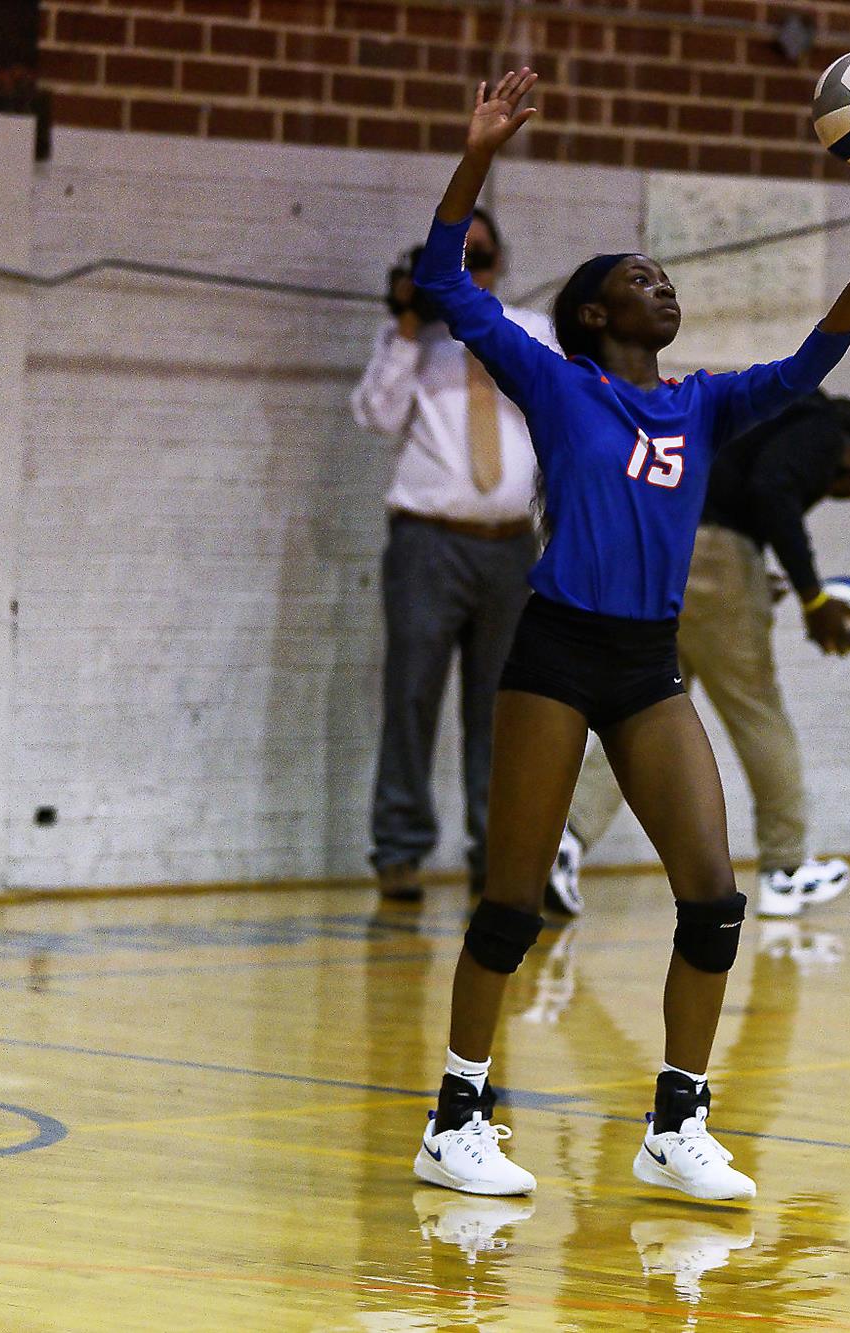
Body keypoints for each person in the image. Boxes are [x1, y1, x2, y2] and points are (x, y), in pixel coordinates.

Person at [405, 67, 850, 1201]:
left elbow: (802, 372)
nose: (663, 287)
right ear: (596, 313)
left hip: (645, 666)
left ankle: (674, 1124)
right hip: (554, 651)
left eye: (665, 277)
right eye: (641, 278)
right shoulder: (555, 384)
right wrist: (479, 151)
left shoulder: (699, 404)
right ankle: (455, 1118)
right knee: (511, 902)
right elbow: (442, 278)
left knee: (714, 897)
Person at [547, 390, 850, 920]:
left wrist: (755, 578)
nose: (827, 496)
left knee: (638, 715)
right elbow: (771, 490)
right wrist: (813, 598)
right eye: (838, 492)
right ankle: (786, 868)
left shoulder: (769, 416)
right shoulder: (826, 431)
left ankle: (563, 843)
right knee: (758, 711)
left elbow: (736, 495)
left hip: (663, 551)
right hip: (712, 555)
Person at [350, 206, 557, 903]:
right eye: (455, 258)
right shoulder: (412, 340)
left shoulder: (530, 334)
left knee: (502, 708)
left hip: (511, 550)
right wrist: (409, 322)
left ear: (502, 266)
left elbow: (563, 414)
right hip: (428, 544)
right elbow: (375, 416)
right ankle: (400, 850)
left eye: (484, 257)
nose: (471, 270)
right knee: (411, 696)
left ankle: (496, 855)